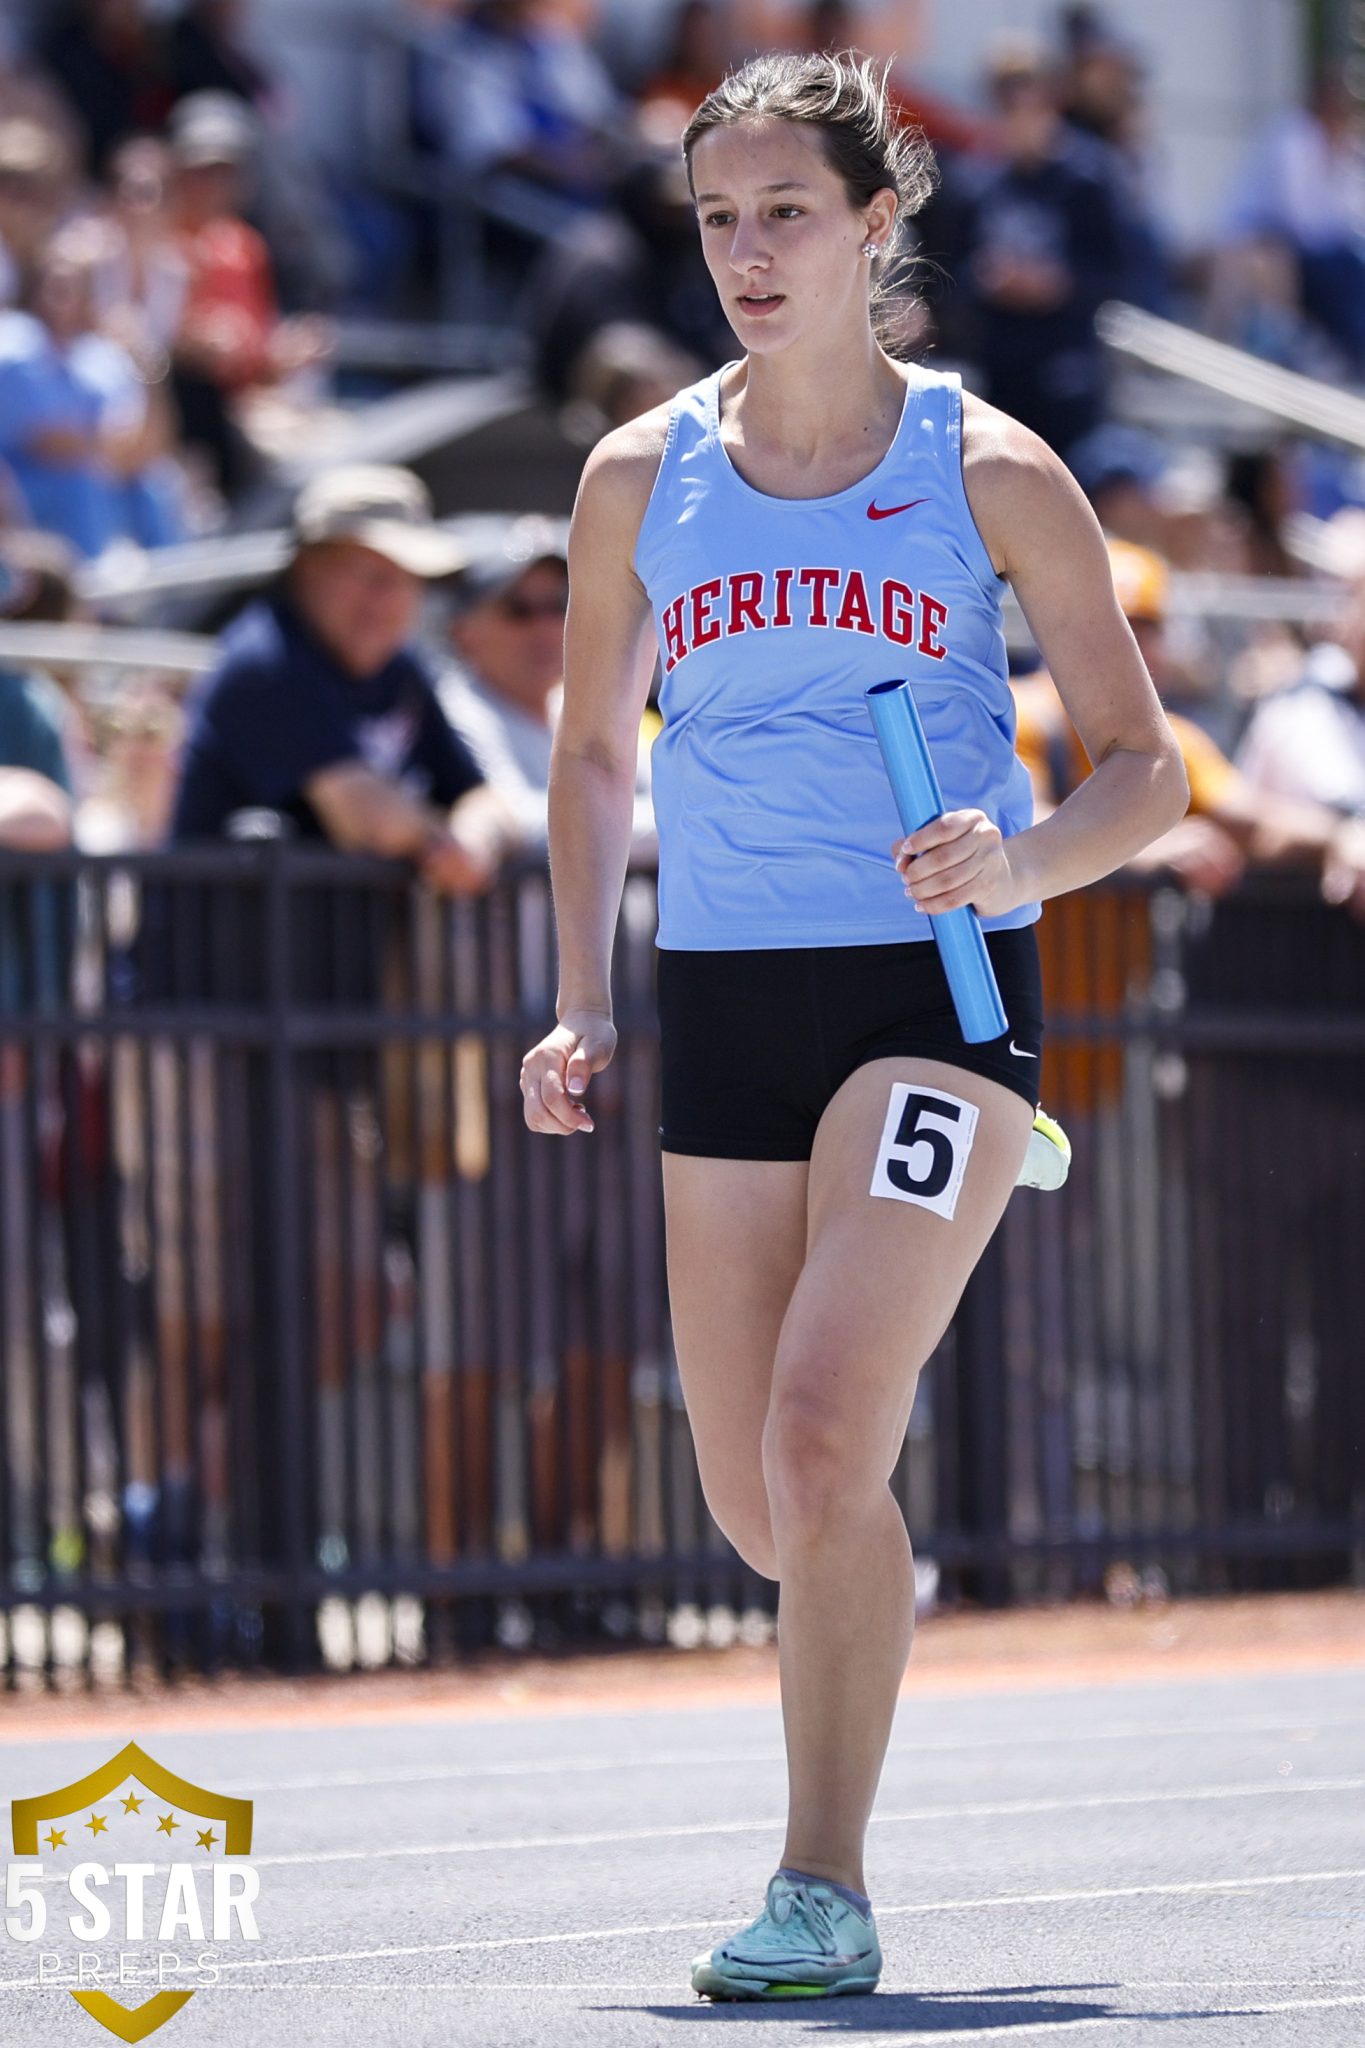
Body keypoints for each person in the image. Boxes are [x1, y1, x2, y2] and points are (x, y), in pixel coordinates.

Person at [518, 49, 1187, 2001]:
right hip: (728, 995)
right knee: (767, 1502)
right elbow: (588, 754)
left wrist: (1019, 857)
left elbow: (1146, 771)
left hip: (934, 993)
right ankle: (864, 1584)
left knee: (822, 1435)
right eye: (717, 218)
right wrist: (577, 996)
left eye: (787, 213)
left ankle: (822, 1882)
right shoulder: (639, 475)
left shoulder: (988, 466)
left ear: (876, 222)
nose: (747, 252)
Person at [171, 462, 514, 880]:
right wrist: (445, 842)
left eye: (405, 578)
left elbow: (485, 801)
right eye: (369, 575)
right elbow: (373, 825)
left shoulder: (400, 669)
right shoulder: (267, 662)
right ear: (308, 569)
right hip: (224, 923)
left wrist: (475, 840)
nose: (387, 598)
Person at [439, 520, 657, 858]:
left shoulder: (582, 703)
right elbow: (511, 820)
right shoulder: (453, 711)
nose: (545, 628)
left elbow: (668, 793)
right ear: (463, 631)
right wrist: (678, 825)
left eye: (558, 606)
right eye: (518, 610)